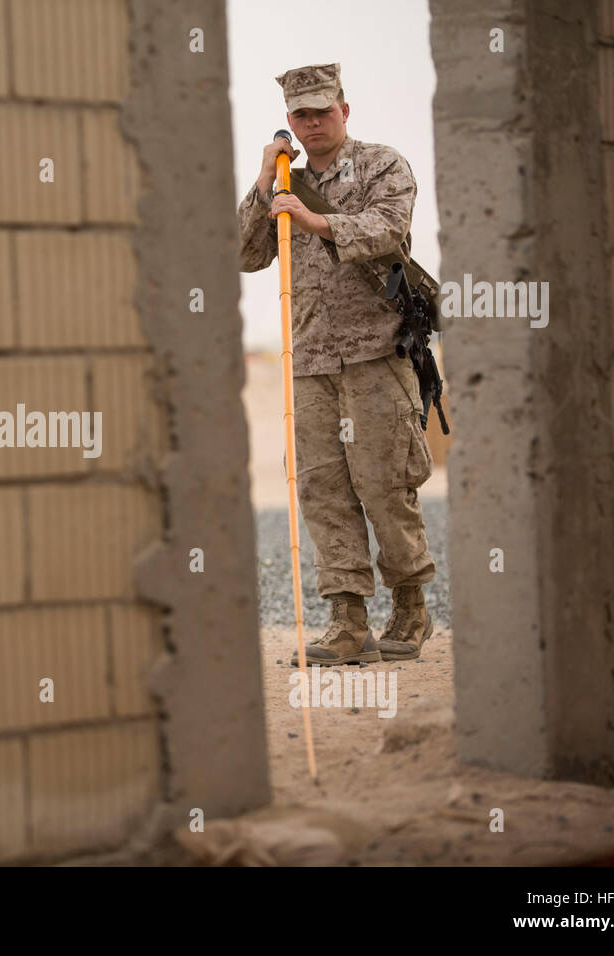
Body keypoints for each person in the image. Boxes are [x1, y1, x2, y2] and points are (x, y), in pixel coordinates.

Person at [238, 62, 436, 666]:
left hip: (378, 354)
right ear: (291, 123)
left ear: (344, 111)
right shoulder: (283, 180)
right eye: (301, 114)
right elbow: (245, 252)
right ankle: (347, 620)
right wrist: (266, 178)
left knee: (384, 485)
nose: (313, 121)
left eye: (323, 110)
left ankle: (410, 607)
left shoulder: (382, 164)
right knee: (323, 490)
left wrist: (313, 218)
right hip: (311, 360)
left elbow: (387, 230)